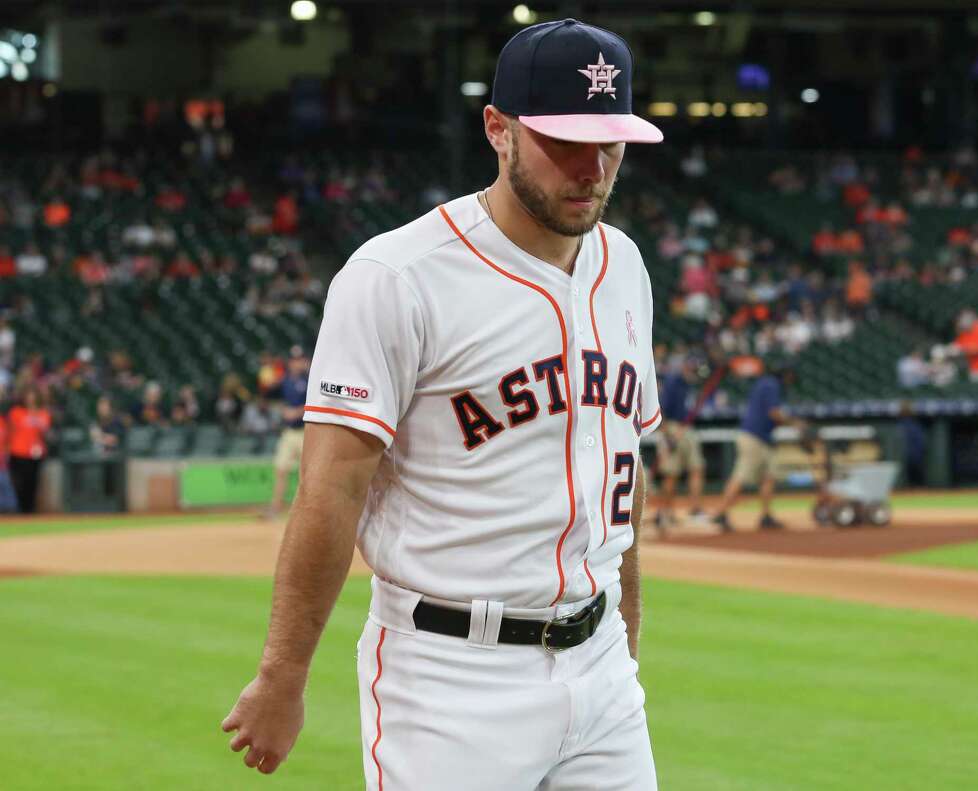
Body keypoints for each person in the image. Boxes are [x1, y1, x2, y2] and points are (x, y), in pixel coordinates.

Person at [223, 19, 664, 789]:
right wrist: (283, 674)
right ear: (498, 128)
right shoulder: (399, 275)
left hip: (600, 674)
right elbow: (333, 489)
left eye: (611, 143)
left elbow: (621, 475)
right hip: (452, 677)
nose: (591, 168)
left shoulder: (623, 264)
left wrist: (623, 642)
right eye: (563, 141)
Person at [714, 363, 807, 531]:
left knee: (768, 477)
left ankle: (766, 516)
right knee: (741, 476)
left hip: (762, 438)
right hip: (753, 437)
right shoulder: (771, 384)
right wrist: (795, 423)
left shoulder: (765, 383)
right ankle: (721, 513)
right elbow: (774, 413)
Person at [651, 358, 707, 534]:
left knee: (696, 468)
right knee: (671, 474)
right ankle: (665, 512)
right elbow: (662, 409)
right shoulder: (674, 381)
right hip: (674, 428)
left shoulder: (688, 384)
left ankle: (695, 510)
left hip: (686, 428)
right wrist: (667, 434)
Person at [262, 347, 309, 520]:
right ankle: (276, 508)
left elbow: (318, 403)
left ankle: (303, 511)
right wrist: (281, 409)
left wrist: (296, 412)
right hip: (289, 432)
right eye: (294, 360)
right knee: (280, 470)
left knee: (306, 474)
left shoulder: (310, 379)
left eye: (300, 359)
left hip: (306, 432)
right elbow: (268, 397)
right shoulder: (285, 381)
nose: (297, 362)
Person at [7, 388, 52, 513]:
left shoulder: (44, 413)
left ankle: (29, 511)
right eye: (28, 396)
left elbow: (46, 432)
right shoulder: (16, 412)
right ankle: (21, 509)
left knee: (32, 483)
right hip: (17, 452)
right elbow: (10, 431)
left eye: (33, 396)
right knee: (18, 484)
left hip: (35, 453)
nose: (30, 399)